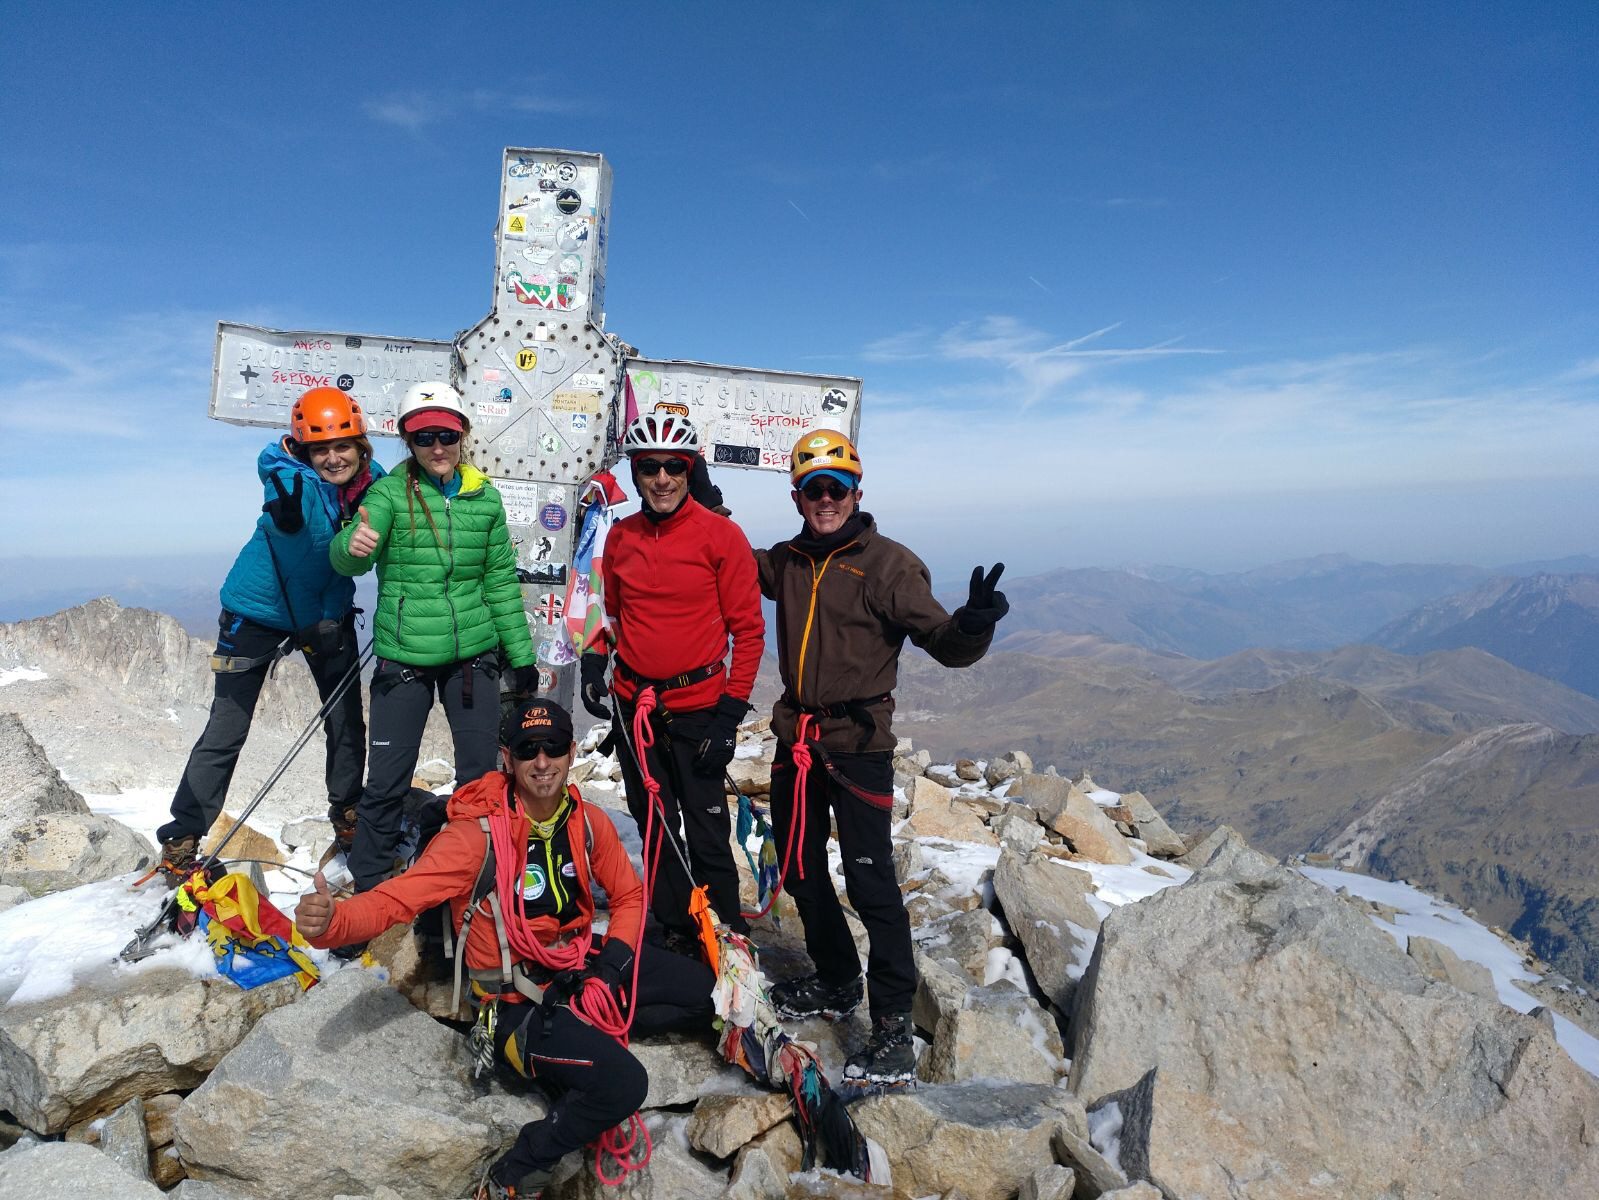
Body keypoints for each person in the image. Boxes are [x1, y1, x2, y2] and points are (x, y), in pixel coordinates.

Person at [294, 699, 715, 1200]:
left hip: (579, 964)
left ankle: (590, 1028)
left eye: (554, 746)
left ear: (570, 751)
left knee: (707, 992)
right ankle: (516, 1169)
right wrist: (333, 923)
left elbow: (628, 896)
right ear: (507, 759)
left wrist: (609, 970)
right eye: (527, 749)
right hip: (515, 1001)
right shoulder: (475, 838)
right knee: (624, 1085)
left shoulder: (585, 822)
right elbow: (397, 900)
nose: (542, 761)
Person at [755, 429, 1009, 1087]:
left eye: (835, 488)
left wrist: (974, 624)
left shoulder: (888, 566)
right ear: (797, 496)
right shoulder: (786, 560)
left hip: (859, 749)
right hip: (799, 744)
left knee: (871, 887)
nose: (824, 500)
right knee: (799, 870)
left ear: (855, 492)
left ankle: (892, 1027)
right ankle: (837, 981)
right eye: (813, 489)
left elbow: (944, 645)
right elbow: (723, 561)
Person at [155, 387, 382, 880]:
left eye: (343, 445)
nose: (333, 457)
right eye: (320, 449)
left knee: (346, 719)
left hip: (325, 615)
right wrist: (287, 508)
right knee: (228, 728)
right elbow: (282, 487)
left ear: (361, 448)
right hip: (256, 612)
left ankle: (348, 813)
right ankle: (183, 838)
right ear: (302, 451)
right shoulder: (289, 478)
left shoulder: (371, 486)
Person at [330, 381, 537, 893]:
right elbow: (347, 556)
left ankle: (475, 885)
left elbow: (499, 584)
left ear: (463, 433)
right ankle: (369, 894)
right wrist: (351, 546)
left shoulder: (483, 500)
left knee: (479, 780)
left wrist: (521, 655)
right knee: (385, 784)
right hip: (404, 659)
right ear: (408, 443)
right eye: (424, 439)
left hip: (473, 659)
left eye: (447, 434)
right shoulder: (387, 496)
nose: (437, 447)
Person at [578, 413, 763, 948]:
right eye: (649, 467)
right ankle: (674, 927)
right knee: (655, 826)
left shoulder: (721, 537)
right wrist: (595, 662)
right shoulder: (622, 538)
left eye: (673, 467)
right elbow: (608, 612)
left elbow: (748, 633)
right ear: (635, 473)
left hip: (699, 706)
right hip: (635, 704)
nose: (662, 478)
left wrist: (729, 716)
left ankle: (726, 933)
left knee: (706, 830)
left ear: (689, 471)